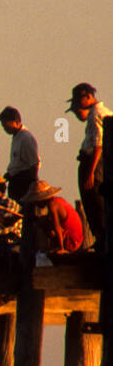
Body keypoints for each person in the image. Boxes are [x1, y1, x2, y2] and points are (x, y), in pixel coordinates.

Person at [67, 83, 109, 252]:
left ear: (88, 97)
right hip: (93, 160)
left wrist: (90, 172)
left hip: (95, 162)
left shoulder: (97, 114)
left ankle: (102, 238)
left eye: (79, 101)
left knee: (95, 200)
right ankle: (101, 238)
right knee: (94, 201)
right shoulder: (98, 113)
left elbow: (99, 144)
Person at [22, 180, 83, 258]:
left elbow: (56, 226)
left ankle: (54, 247)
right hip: (76, 238)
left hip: (72, 241)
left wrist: (61, 248)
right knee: (41, 220)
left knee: (42, 223)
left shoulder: (52, 205)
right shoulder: (58, 200)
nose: (35, 204)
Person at [0, 107, 40, 204]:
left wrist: (32, 188)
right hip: (15, 181)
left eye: (6, 125)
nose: (4, 128)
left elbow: (34, 164)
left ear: (15, 121)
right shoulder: (16, 137)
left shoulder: (26, 138)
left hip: (24, 183)